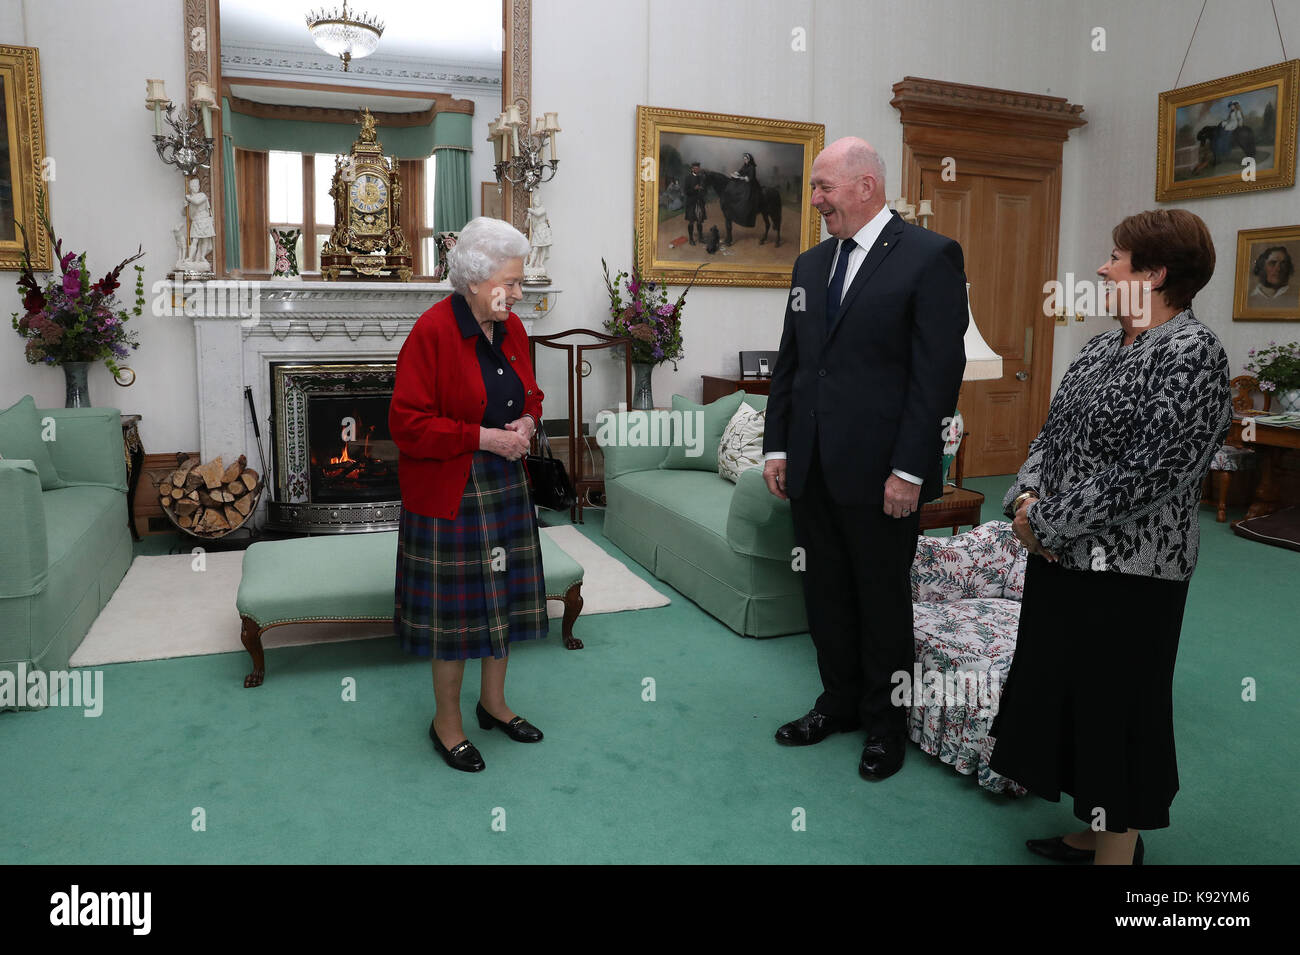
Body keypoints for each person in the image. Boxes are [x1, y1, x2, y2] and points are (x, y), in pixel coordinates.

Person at [989, 208, 1231, 865]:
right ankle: (1092, 828)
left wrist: (1044, 523)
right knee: (1069, 698)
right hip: (1062, 559)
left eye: (1116, 257)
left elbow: (1150, 475)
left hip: (1134, 573)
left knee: (1119, 710)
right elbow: (1052, 433)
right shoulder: (1101, 344)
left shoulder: (1194, 352)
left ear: (1154, 273)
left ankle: (1118, 852)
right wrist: (1025, 496)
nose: (1103, 266)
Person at [762, 136, 968, 781]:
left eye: (824, 187)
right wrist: (778, 444)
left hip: (883, 473)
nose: (816, 200)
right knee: (824, 595)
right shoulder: (810, 264)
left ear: (866, 186)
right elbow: (792, 363)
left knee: (881, 602)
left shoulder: (930, 257)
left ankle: (886, 725)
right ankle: (839, 703)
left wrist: (911, 469)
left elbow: (937, 374)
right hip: (812, 466)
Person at [388, 217, 548, 773]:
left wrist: (528, 420)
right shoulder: (432, 331)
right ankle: (446, 722)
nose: (520, 292)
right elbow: (406, 425)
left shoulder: (513, 328)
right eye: (511, 281)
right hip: (451, 488)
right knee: (455, 620)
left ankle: (494, 704)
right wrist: (483, 437)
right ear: (477, 280)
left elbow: (531, 391)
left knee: (500, 601)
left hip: (505, 482)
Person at [683, 161, 708, 245]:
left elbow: (705, 190)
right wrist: (694, 188)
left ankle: (700, 238)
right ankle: (691, 239)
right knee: (691, 221)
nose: (697, 169)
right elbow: (686, 191)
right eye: (695, 168)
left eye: (698, 168)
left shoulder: (701, 178)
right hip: (691, 203)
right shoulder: (688, 178)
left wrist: (702, 189)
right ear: (692, 169)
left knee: (700, 221)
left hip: (700, 202)